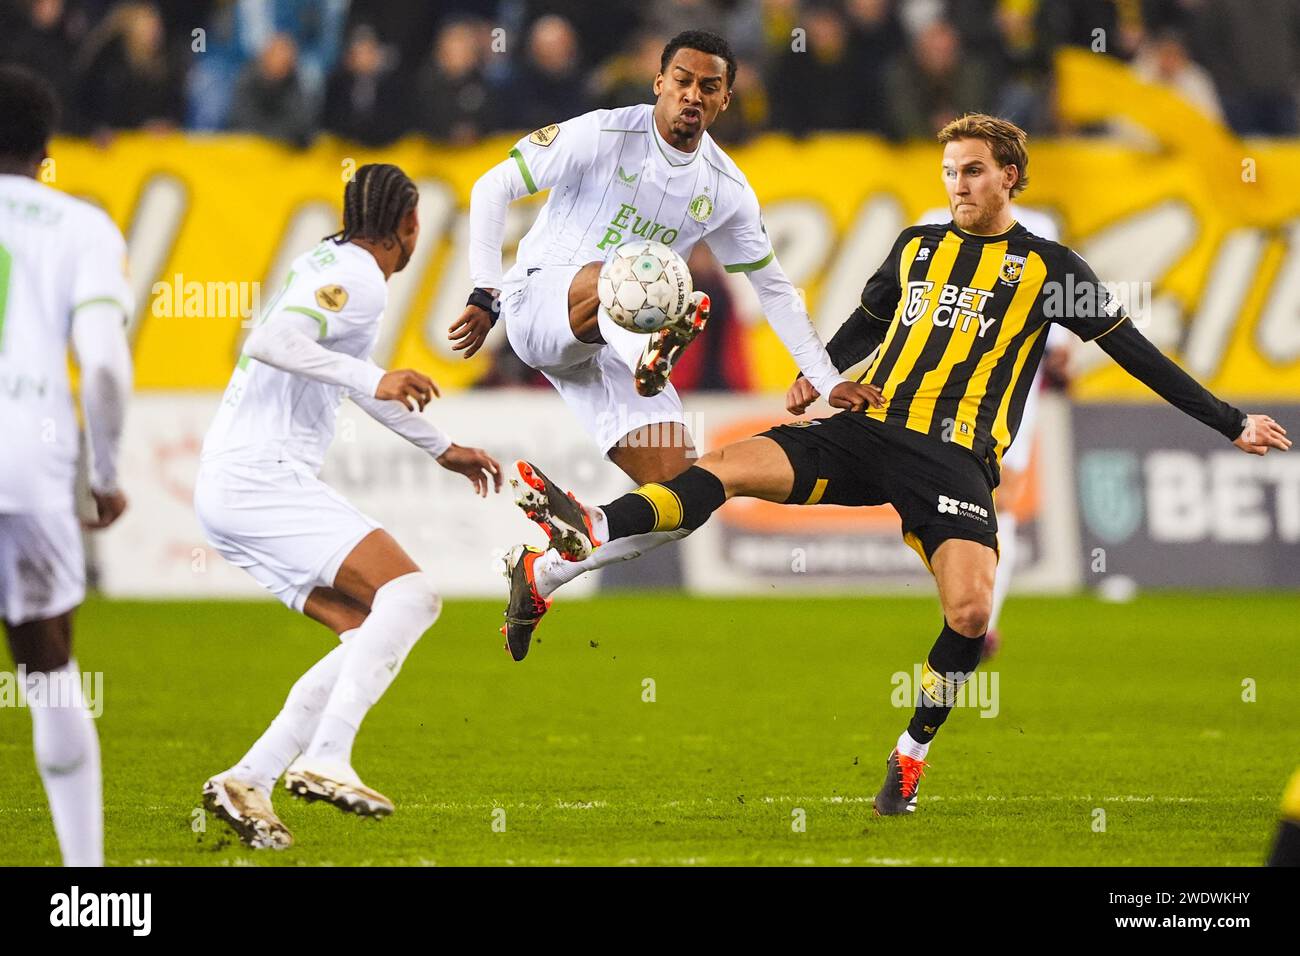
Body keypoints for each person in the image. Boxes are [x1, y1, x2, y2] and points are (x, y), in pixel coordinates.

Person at [509, 113, 1290, 817]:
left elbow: (1139, 356)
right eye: (950, 171)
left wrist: (1230, 423)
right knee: (725, 465)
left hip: (954, 460)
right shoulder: (917, 247)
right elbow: (865, 322)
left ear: (1010, 175)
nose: (959, 184)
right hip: (868, 425)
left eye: (974, 170)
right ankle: (583, 534)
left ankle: (910, 756)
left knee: (972, 617)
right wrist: (822, 370)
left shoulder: (1053, 272)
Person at [453, 29, 878, 659]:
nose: (692, 96)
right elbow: (492, 187)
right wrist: (485, 292)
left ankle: (545, 572)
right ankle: (650, 351)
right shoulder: (601, 134)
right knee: (632, 274)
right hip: (543, 304)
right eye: (682, 80)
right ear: (659, 82)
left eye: (709, 86)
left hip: (612, 345)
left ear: (726, 99)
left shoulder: (726, 189)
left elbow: (774, 288)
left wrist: (822, 373)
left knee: (681, 498)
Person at [194, 163, 502, 849]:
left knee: (368, 630)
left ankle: (251, 776)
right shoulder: (359, 277)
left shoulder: (333, 264)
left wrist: (441, 447)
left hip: (231, 487)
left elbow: (357, 383)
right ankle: (328, 756)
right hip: (260, 478)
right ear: (410, 225)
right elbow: (270, 342)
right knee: (414, 595)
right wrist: (375, 374)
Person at [0, 65, 134, 866]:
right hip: (28, 461)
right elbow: (108, 367)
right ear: (47, 149)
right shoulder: (82, 227)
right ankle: (84, 884)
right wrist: (106, 472)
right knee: (49, 667)